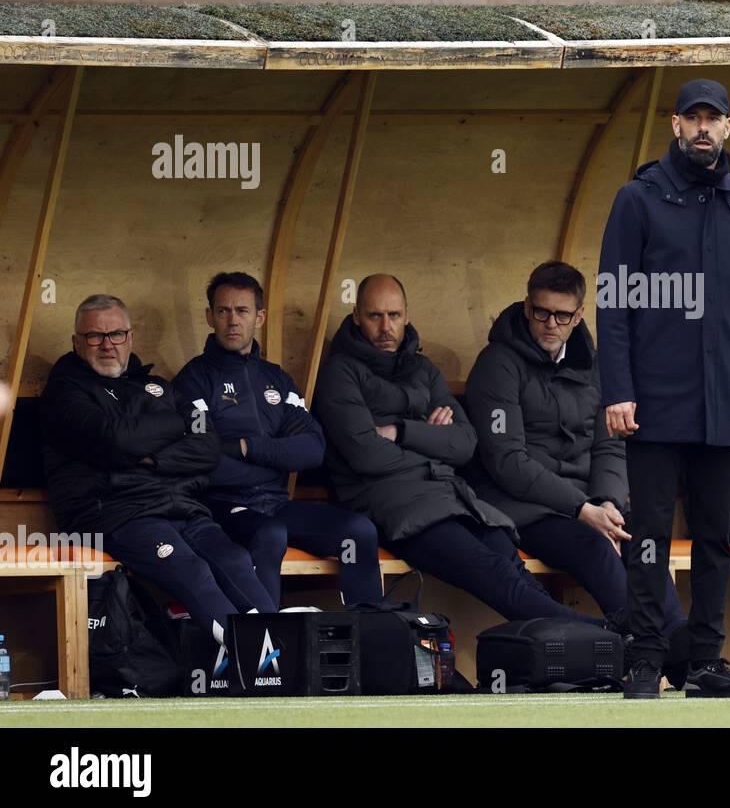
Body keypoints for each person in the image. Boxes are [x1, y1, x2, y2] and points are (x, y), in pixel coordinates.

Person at [599, 77, 730, 699]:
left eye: (714, 119)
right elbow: (612, 303)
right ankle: (644, 660)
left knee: (716, 536)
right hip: (653, 401)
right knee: (651, 536)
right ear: (675, 125)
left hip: (726, 401)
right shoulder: (639, 198)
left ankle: (707, 664)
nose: (703, 128)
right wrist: (617, 390)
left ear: (729, 127)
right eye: (693, 118)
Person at [313, 273, 597, 624]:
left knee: (506, 557)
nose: (386, 327)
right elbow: (366, 454)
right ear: (356, 316)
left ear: (407, 316)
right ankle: (594, 633)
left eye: (395, 316)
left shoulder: (423, 368)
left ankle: (574, 645)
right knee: (492, 572)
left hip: (453, 497)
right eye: (375, 316)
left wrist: (402, 431)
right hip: (395, 508)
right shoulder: (340, 373)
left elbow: (465, 444)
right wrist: (434, 442)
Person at [464, 261, 690, 677]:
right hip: (521, 504)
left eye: (562, 315)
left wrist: (606, 500)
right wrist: (583, 508)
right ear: (527, 305)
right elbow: (507, 461)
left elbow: (609, 443)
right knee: (594, 543)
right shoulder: (497, 364)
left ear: (579, 315)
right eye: (541, 312)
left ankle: (678, 651)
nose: (550, 324)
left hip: (586, 501)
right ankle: (643, 645)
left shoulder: (594, 364)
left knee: (642, 533)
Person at [40, 294, 274, 645]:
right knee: (192, 570)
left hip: (181, 506)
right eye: (94, 336)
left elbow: (207, 444)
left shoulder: (161, 387)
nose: (107, 345)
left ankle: (284, 655)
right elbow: (116, 440)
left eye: (116, 334)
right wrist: (175, 424)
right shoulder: (64, 392)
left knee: (235, 559)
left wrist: (152, 456)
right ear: (77, 342)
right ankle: (257, 661)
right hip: (116, 513)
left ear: (130, 338)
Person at [173, 271, 381, 608]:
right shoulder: (192, 381)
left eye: (242, 311)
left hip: (275, 501)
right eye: (223, 311)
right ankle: (270, 651)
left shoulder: (277, 380)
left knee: (359, 531)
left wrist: (246, 447)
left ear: (260, 317)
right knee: (269, 533)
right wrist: (275, 457)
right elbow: (203, 454)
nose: (232, 321)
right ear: (210, 317)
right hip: (219, 506)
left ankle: (369, 641)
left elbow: (312, 448)